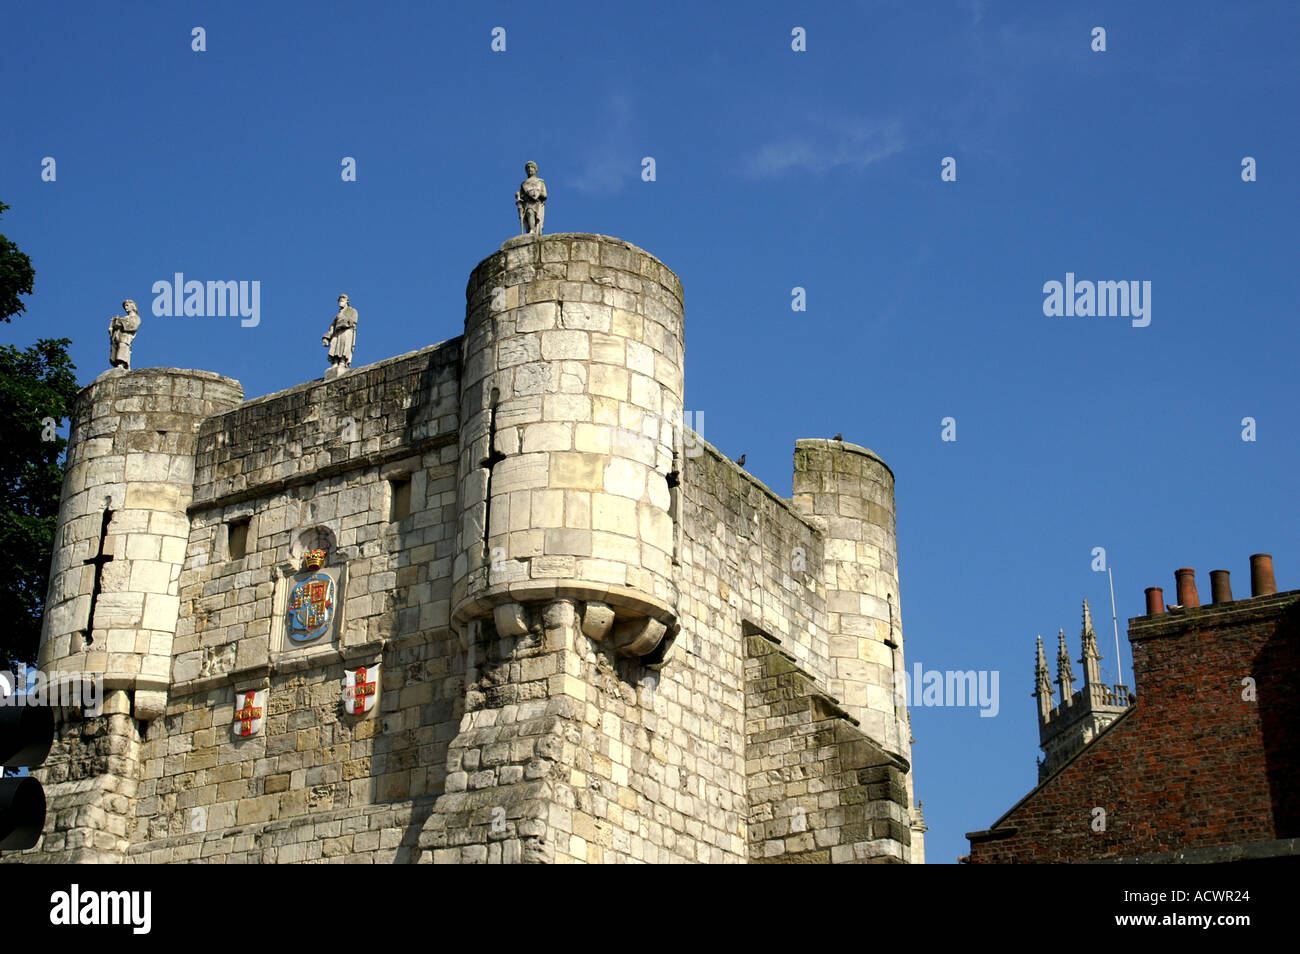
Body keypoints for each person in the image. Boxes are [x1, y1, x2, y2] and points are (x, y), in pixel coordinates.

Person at [323, 294, 358, 369]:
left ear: (347, 301)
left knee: (344, 346)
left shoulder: (351, 310)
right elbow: (332, 327)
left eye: (343, 299)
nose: (341, 300)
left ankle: (342, 361)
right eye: (339, 300)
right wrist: (326, 337)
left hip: (346, 331)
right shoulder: (338, 315)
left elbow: (353, 321)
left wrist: (345, 323)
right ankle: (335, 362)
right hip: (337, 332)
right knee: (335, 346)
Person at [515, 161, 547, 235]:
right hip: (528, 203)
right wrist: (518, 196)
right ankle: (531, 230)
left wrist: (538, 194)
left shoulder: (540, 182)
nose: (530, 169)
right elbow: (521, 196)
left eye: (532, 167)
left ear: (535, 169)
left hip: (537, 203)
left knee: (536, 217)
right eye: (528, 168)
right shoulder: (524, 184)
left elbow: (545, 195)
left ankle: (535, 230)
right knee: (529, 213)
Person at [108, 299, 141, 369]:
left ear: (132, 306)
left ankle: (122, 363)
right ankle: (119, 363)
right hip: (118, 336)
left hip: (125, 336)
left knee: (123, 347)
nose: (125, 307)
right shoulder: (124, 318)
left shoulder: (135, 318)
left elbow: (133, 326)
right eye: (124, 306)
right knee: (118, 348)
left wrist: (120, 323)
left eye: (127, 305)